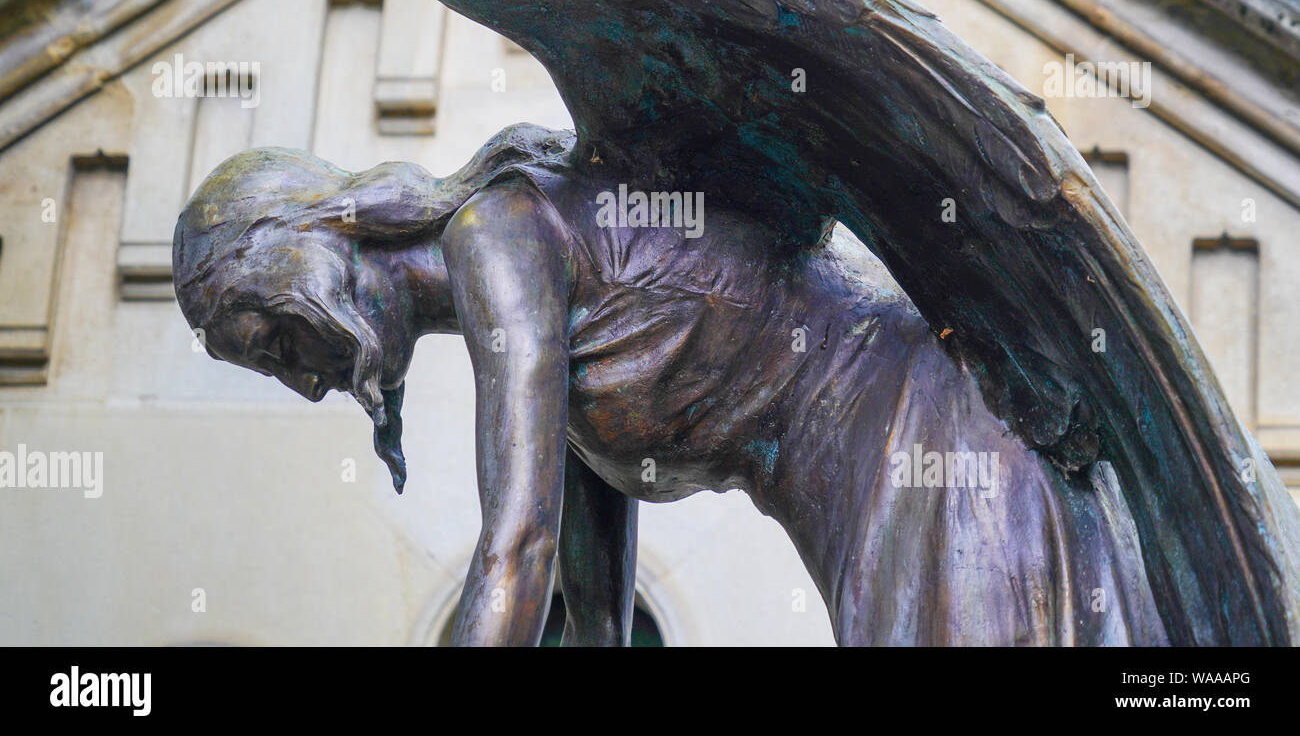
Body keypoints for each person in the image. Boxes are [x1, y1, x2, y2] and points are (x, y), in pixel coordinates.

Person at [174, 122, 1169, 645]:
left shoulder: (500, 238)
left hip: (926, 426)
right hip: (867, 466)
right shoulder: (535, 329)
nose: (300, 384)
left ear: (305, 261)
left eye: (265, 341)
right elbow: (592, 615)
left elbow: (512, 547)